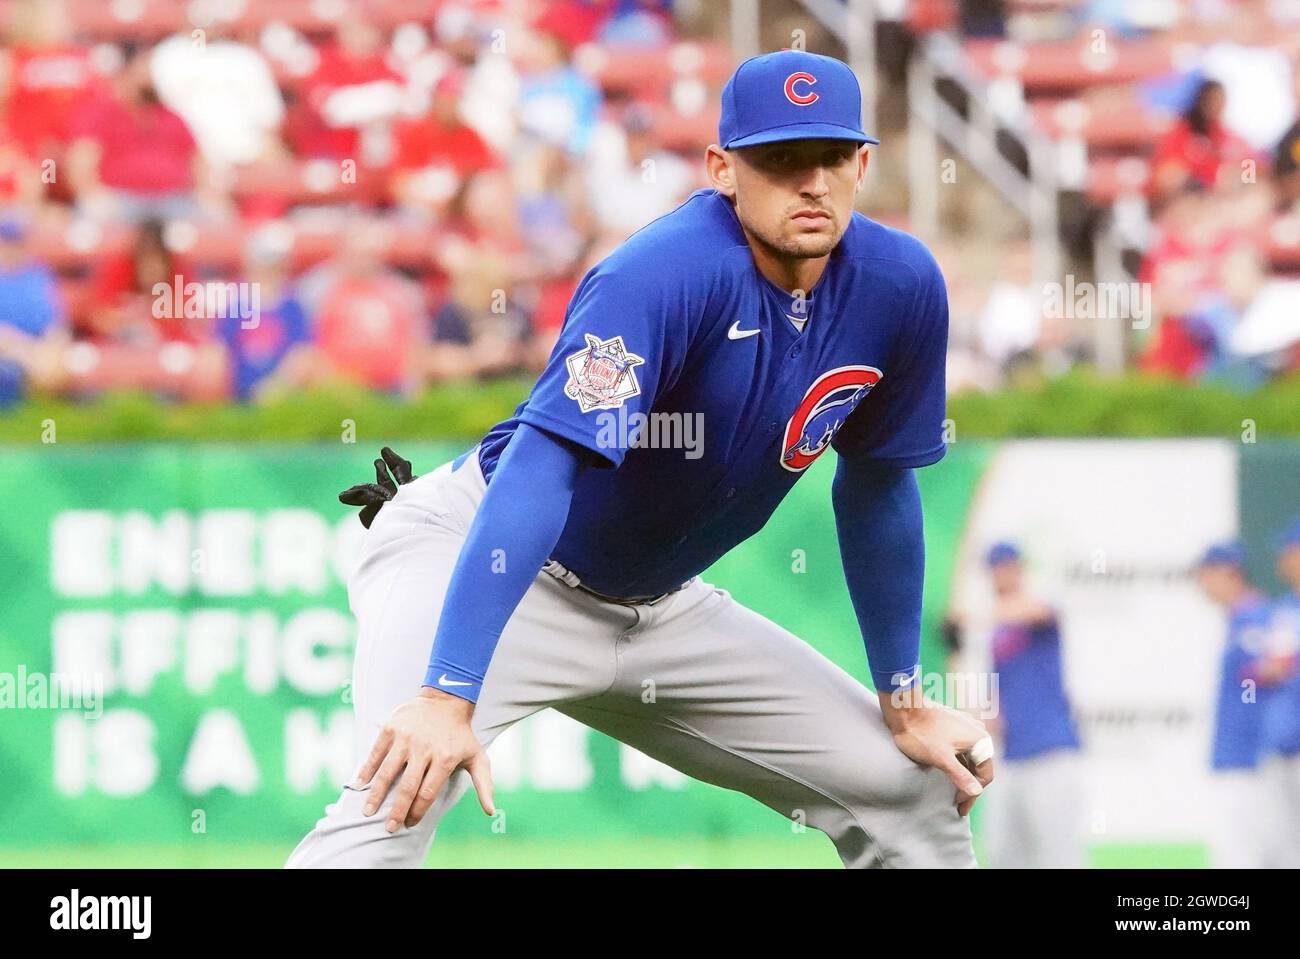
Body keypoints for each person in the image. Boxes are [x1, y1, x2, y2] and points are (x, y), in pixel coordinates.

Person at [288, 51, 991, 870]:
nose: (813, 183)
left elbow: (878, 487)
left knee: (911, 792)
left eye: (833, 158)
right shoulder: (661, 273)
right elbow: (542, 469)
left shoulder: (899, 287)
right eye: (781, 160)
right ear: (724, 170)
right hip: (480, 554)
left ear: (864, 163)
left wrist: (904, 703)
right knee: (395, 800)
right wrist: (447, 693)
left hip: (661, 610)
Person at [962, 543, 1083, 868]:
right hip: (1011, 755)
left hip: (1051, 752)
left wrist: (973, 616)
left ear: (1020, 569)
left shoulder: (1037, 610)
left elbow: (1036, 612)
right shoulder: (996, 634)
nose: (1002, 574)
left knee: (1059, 856)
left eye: (1008, 567)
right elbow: (993, 697)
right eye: (996, 568)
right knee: (1005, 855)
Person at [1193, 541, 1274, 868]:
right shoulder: (1239, 618)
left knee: (1245, 853)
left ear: (1228, 573)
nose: (1200, 585)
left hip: (1249, 756)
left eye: (1205, 575)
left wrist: (1248, 715)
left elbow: (1257, 677)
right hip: (1241, 754)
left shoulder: (1253, 616)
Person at [1256, 520, 1300, 867]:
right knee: (1277, 848)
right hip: (1281, 740)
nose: (1283, 563)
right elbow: (1271, 668)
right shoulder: (1284, 608)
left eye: (1290, 553)